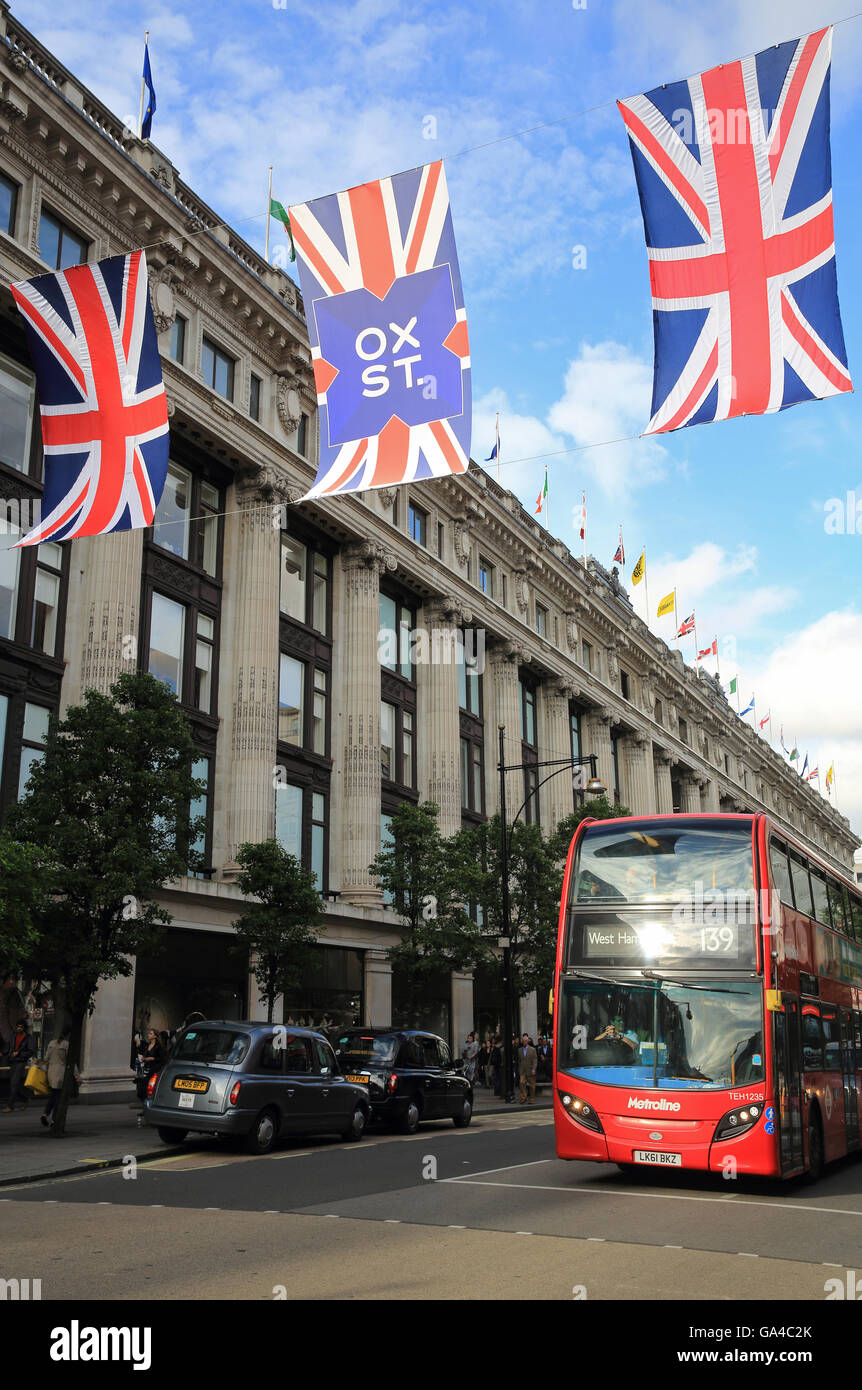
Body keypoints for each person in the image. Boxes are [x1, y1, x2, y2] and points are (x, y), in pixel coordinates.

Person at [3, 1017, 35, 1112]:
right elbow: (9, 1048)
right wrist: (4, 1053)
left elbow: (31, 1051)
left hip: (21, 1062)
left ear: (24, 1028)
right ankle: (25, 1099)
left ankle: (10, 1106)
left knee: (14, 1083)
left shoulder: (28, 1038)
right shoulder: (14, 1036)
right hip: (13, 1061)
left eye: (21, 1027)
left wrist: (19, 1053)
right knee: (14, 1085)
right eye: (18, 1027)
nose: (19, 1028)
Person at [40, 1029, 70, 1128]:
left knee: (54, 1094)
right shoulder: (66, 1044)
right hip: (60, 1071)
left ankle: (46, 1114)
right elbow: (70, 1061)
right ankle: (52, 1118)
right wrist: (77, 1075)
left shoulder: (51, 1043)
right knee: (57, 1097)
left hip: (51, 1071)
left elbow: (46, 1058)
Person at [135, 1028, 164, 1103]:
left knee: (147, 1088)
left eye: (151, 1034)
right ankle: (143, 1104)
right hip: (145, 1068)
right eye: (149, 1033)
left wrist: (152, 1058)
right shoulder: (147, 1045)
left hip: (153, 1069)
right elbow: (142, 1052)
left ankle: (146, 1107)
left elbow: (162, 1059)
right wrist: (144, 1058)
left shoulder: (159, 1046)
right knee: (141, 1089)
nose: (148, 1035)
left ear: (155, 1036)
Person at [0, 974, 26, 1052]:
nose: (13, 983)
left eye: (14, 980)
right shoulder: (11, 993)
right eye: (11, 980)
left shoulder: (16, 993)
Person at [518, 1033, 538, 1104]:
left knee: (532, 1085)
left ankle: (532, 1099)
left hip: (530, 1070)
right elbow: (519, 1060)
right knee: (521, 1083)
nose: (524, 1042)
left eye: (525, 1041)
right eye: (523, 1041)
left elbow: (535, 1060)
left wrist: (534, 1069)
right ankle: (523, 1097)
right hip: (523, 1070)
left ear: (528, 1041)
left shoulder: (532, 1049)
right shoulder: (520, 1050)